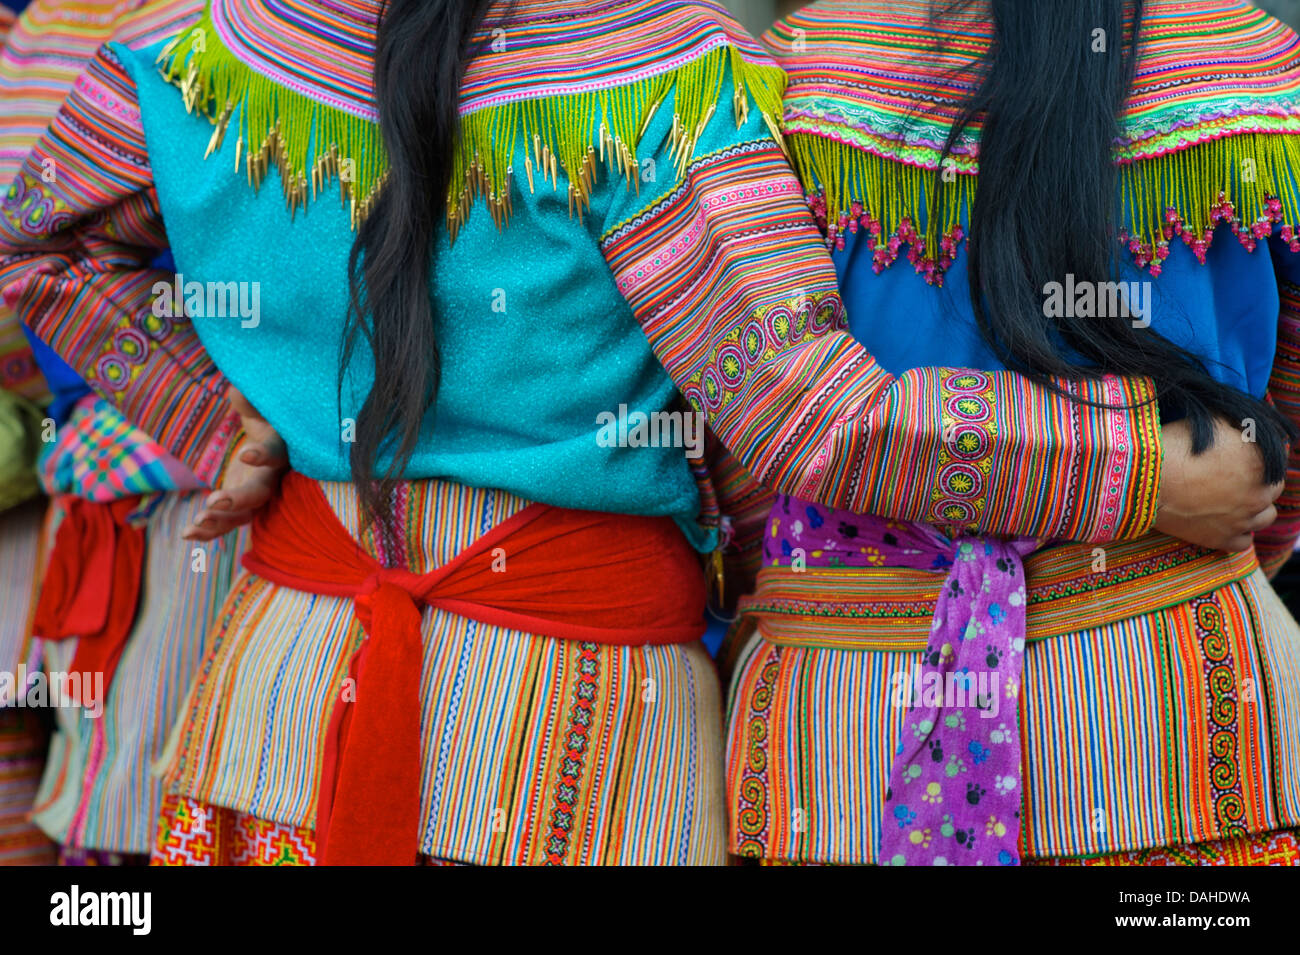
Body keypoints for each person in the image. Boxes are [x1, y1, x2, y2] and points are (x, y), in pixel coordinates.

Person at [0, 0, 1274, 866]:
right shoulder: (656, 81)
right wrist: (1143, 466)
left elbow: (35, 252)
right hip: (579, 724)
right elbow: (797, 415)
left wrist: (212, 413)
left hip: (277, 699)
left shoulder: (188, 57)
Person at [724, 0, 1300, 866]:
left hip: (843, 724)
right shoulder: (1255, 71)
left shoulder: (778, 85)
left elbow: (748, 443)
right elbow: (1276, 461)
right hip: (1170, 706)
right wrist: (1165, 486)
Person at [0, 0, 248, 866]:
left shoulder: (45, 35)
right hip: (189, 488)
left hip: (122, 476)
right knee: (150, 792)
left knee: (121, 792)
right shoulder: (209, 32)